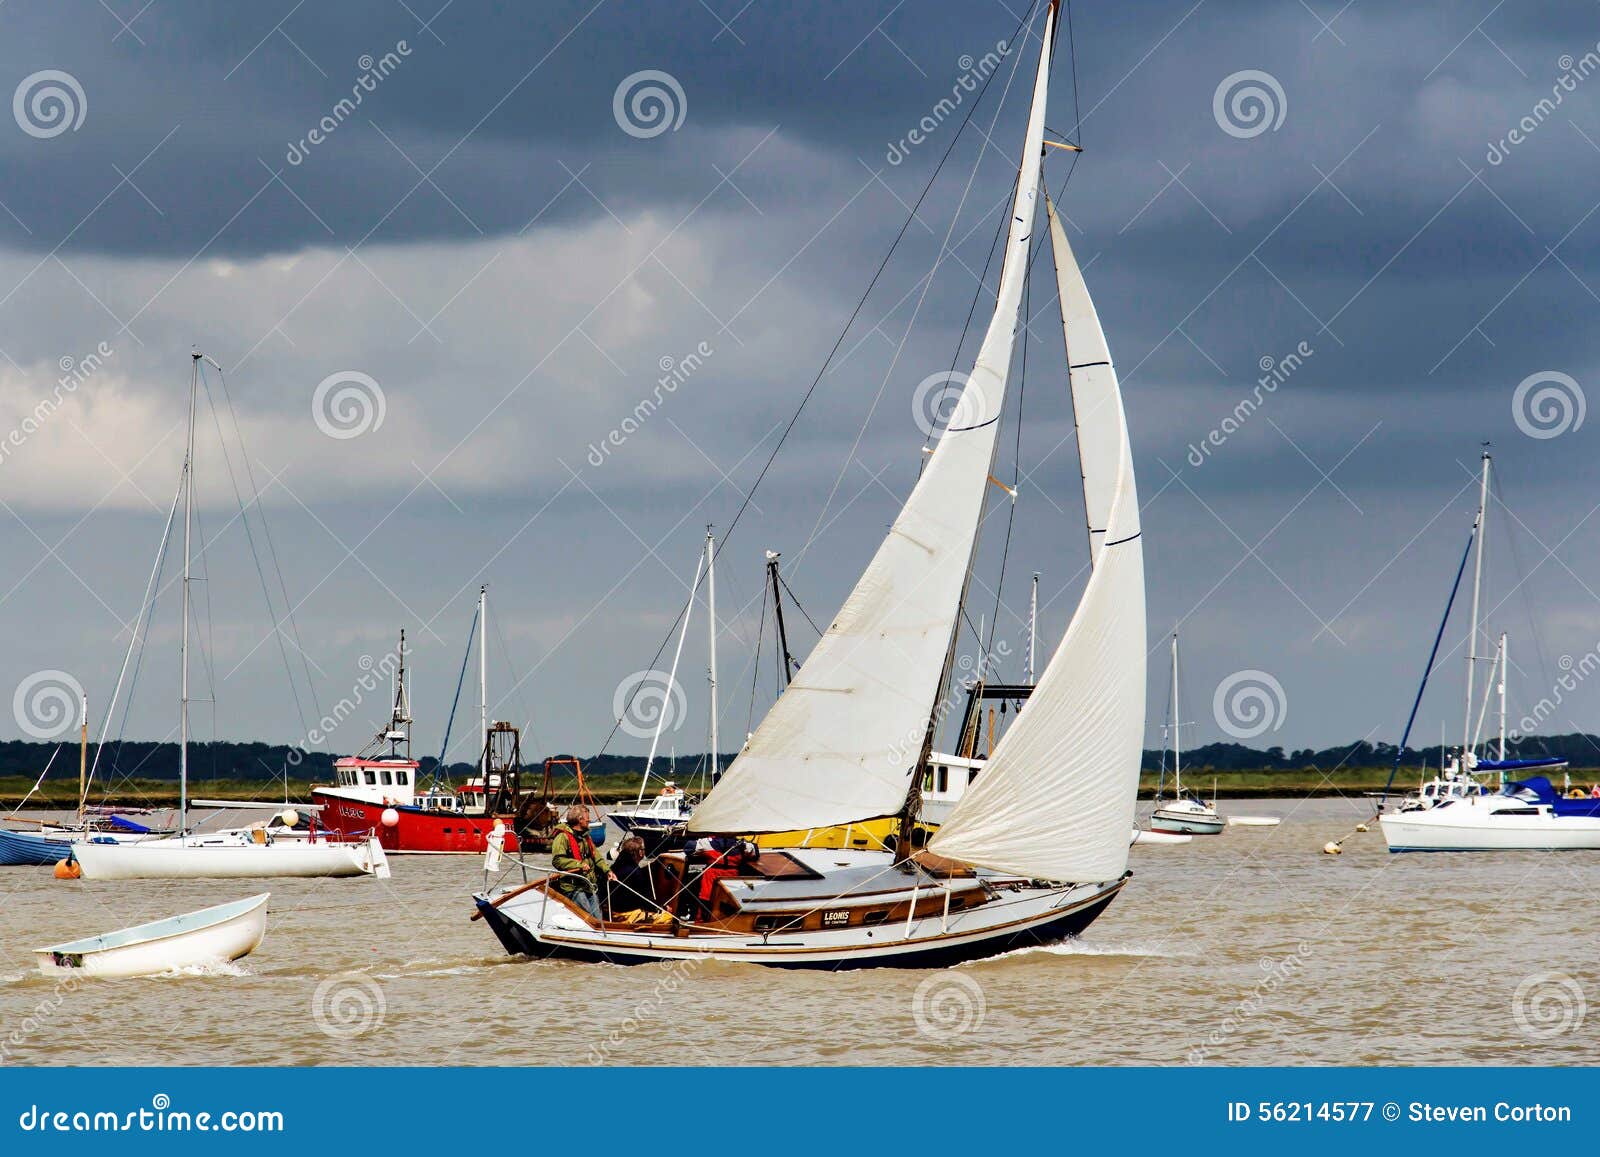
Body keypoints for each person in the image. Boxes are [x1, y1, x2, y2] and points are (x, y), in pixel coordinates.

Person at [549, 806, 612, 921]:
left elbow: (597, 857)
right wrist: (578, 865)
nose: (589, 821)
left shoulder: (585, 836)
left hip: (588, 885)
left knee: (598, 918)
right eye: (587, 818)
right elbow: (557, 860)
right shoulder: (562, 837)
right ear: (579, 819)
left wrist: (607, 870)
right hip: (573, 887)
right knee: (589, 918)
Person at [606, 836, 657, 917]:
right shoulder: (636, 873)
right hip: (623, 910)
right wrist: (660, 908)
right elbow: (644, 897)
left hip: (610, 905)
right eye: (644, 849)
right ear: (640, 852)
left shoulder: (616, 865)